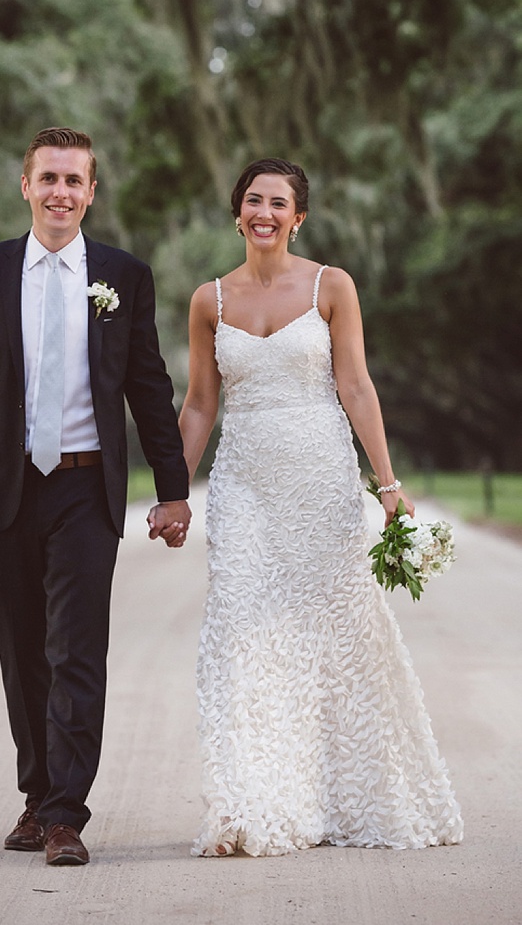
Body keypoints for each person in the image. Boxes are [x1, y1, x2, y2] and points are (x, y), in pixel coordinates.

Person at [179, 157, 463, 857]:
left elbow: (356, 385)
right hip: (244, 486)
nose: (264, 213)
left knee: (334, 636)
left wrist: (388, 483)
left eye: (278, 203)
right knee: (239, 631)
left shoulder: (331, 285)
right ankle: (251, 802)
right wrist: (173, 491)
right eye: (253, 200)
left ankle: (341, 797)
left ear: (298, 217)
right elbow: (201, 404)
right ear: (238, 212)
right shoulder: (209, 300)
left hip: (320, 480)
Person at [0, 127, 191, 866]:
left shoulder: (123, 276)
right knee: (21, 651)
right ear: (26, 186)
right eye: (48, 178)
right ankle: (37, 795)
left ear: (92, 192)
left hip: (85, 486)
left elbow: (149, 387)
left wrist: (173, 489)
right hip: (7, 488)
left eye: (74, 180)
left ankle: (67, 814)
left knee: (75, 647)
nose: (60, 193)